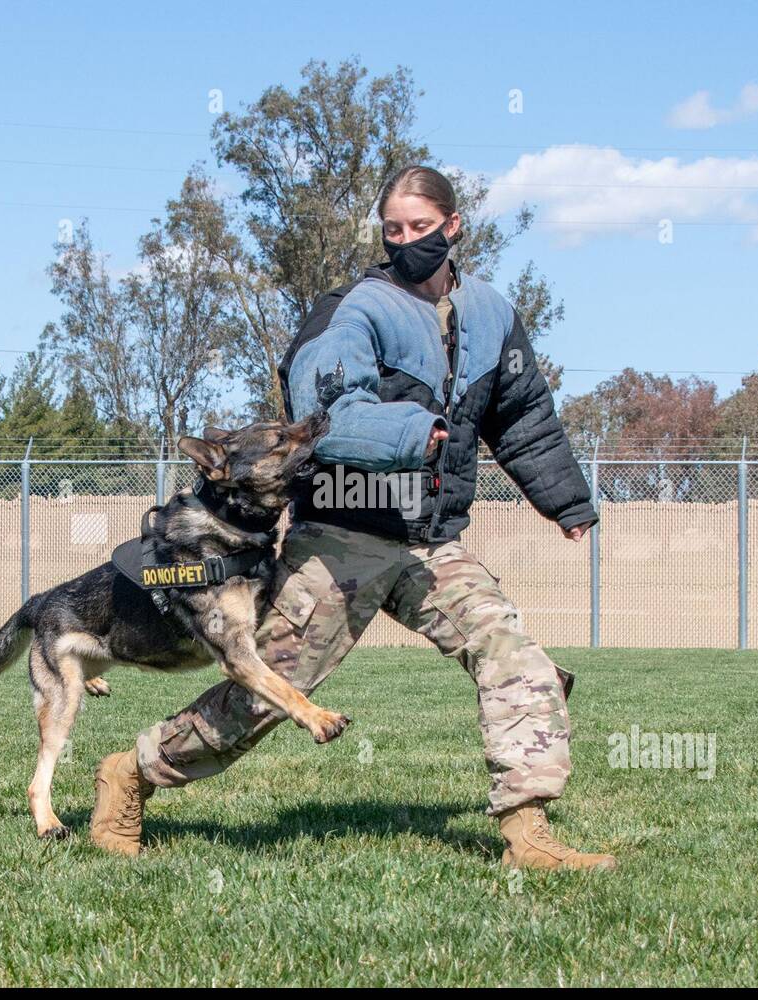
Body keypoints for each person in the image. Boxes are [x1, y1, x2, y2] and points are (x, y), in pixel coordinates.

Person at [91, 165, 615, 872]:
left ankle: (530, 836)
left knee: (515, 658)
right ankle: (134, 771)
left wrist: (566, 501)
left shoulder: (491, 314)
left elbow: (523, 416)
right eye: (393, 230)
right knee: (269, 696)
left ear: (454, 227)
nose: (406, 242)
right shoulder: (352, 310)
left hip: (430, 541)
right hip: (342, 537)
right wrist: (406, 434)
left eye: (420, 229)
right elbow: (324, 414)